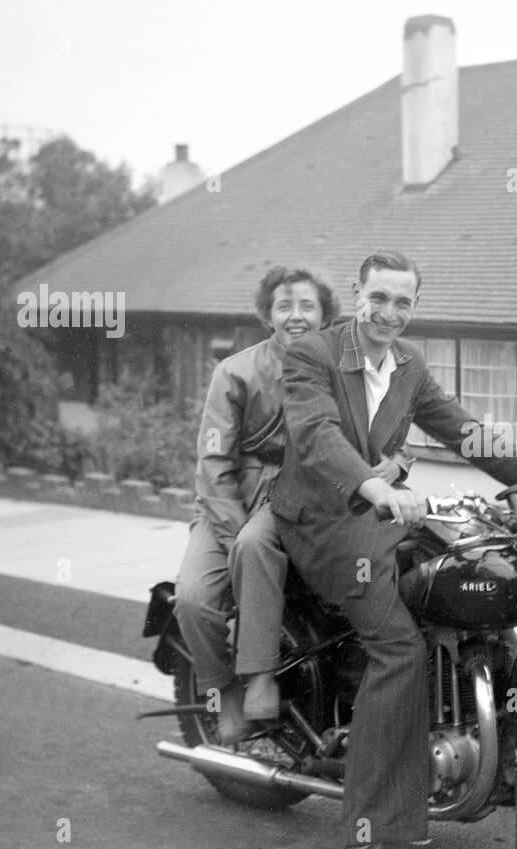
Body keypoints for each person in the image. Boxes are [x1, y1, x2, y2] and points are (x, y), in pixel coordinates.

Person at [270, 249, 517, 849]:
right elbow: (314, 438)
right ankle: (363, 844)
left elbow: (462, 431)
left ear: (414, 306)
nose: (390, 312)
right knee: (399, 651)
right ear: (356, 294)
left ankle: (477, 750)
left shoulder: (409, 366)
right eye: (379, 298)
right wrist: (373, 486)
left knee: (476, 585)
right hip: (322, 519)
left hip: (383, 514)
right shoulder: (312, 353)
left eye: (404, 302)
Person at [173, 266, 409, 743]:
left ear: (325, 315)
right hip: (233, 498)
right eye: (285, 306)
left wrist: (392, 470)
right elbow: (214, 462)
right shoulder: (234, 372)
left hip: (309, 494)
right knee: (193, 599)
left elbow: (391, 440)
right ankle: (226, 691)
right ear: (267, 315)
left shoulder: (347, 368)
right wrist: (230, 529)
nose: (296, 317)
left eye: (308, 307)